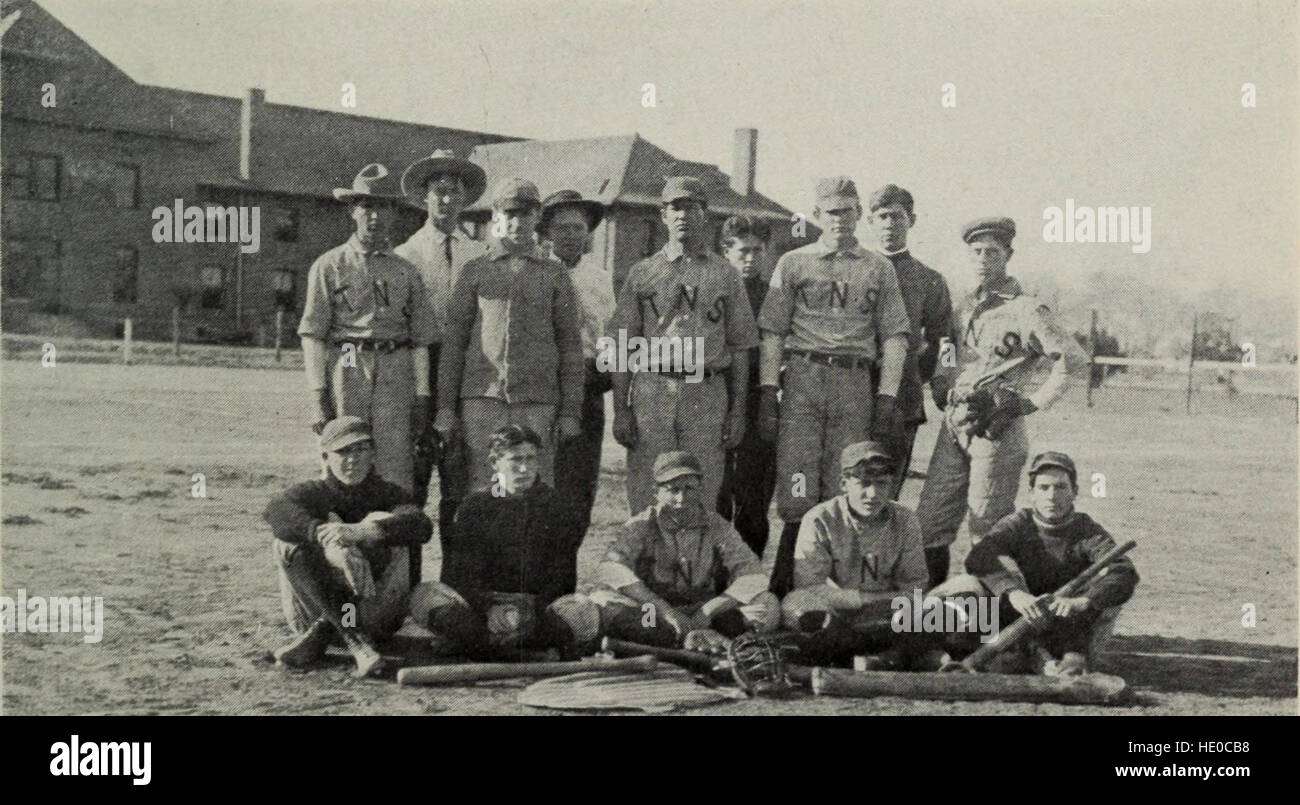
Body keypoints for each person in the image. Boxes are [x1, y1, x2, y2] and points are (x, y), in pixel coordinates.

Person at [756, 176, 912, 596]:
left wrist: (886, 398)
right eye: (832, 212)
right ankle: (787, 585)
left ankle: (840, 588)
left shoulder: (877, 267)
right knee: (798, 477)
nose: (841, 220)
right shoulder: (793, 263)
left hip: (854, 377)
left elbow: (895, 336)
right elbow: (772, 331)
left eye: (848, 211)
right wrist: (769, 391)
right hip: (805, 374)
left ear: (859, 214)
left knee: (845, 474)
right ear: (818, 215)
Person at [916, 217, 1088, 584]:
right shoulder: (964, 306)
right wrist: (942, 382)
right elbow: (949, 352)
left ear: (1008, 255)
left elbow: (1071, 360)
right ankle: (935, 612)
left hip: (997, 424)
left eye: (992, 252)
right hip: (956, 421)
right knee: (930, 520)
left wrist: (1030, 402)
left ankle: (993, 615)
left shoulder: (1027, 308)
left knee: (986, 524)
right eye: (976, 252)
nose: (982, 259)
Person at [607, 177, 760, 515]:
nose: (683, 215)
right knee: (648, 496)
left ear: (705, 214)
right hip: (653, 389)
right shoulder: (643, 272)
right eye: (675, 207)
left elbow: (740, 347)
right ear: (663, 215)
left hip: (705, 391)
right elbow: (621, 345)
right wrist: (621, 408)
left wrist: (737, 411)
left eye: (692, 207)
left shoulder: (726, 274)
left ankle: (694, 567)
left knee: (701, 495)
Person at [434, 178, 584, 493]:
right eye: (509, 213)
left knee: (533, 487)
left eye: (526, 213)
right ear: (496, 216)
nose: (517, 222)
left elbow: (571, 348)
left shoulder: (555, 274)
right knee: (485, 487)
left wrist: (570, 410)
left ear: (538, 215)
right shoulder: (475, 270)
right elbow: (454, 344)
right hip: (482, 399)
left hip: (538, 400)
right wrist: (446, 407)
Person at [929, 452, 1139, 675]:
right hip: (1021, 617)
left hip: (1068, 626)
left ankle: (1066, 660)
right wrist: (1014, 594)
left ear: (1074, 492)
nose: (1052, 496)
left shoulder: (1087, 530)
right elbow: (980, 556)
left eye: (1060, 487)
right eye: (1044, 488)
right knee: (969, 586)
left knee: (1105, 594)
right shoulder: (1018, 523)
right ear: (1031, 494)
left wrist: (1082, 602)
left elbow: (1123, 570)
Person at [297, 163, 436, 494]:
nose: (375, 216)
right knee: (345, 452)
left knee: (394, 462)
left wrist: (422, 397)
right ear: (352, 211)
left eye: (383, 207)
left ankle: (390, 539)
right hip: (347, 359)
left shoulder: (406, 271)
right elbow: (313, 335)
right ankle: (342, 539)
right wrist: (317, 395)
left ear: (394, 213)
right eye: (367, 206)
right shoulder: (329, 265)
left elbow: (419, 341)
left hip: (395, 363)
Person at [407, 426, 599, 659]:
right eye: (515, 459)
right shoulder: (474, 506)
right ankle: (518, 651)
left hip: (535, 610)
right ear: (494, 462)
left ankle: (481, 646)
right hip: (484, 609)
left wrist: (531, 610)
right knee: (423, 595)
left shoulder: (557, 506)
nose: (524, 468)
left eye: (531, 458)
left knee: (585, 610)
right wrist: (487, 607)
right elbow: (458, 576)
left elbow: (565, 578)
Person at [264, 416, 433, 678]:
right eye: (342, 451)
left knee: (382, 522)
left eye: (361, 450)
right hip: (315, 615)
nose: (352, 459)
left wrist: (360, 533)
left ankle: (332, 631)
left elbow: (421, 526)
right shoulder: (314, 492)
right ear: (325, 457)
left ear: (373, 454)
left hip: (373, 617)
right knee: (287, 541)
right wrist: (327, 541)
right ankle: (352, 639)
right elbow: (276, 511)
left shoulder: (388, 493)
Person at [394, 149, 488, 570]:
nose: (446, 201)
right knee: (412, 482)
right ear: (424, 198)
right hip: (418, 371)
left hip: (467, 373)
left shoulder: (481, 255)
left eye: (455, 193)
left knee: (460, 485)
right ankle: (407, 585)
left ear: (465, 199)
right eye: (438, 192)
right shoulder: (404, 256)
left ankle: (455, 584)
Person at [590, 451, 780, 651]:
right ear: (657, 492)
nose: (681, 498)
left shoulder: (717, 525)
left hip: (703, 611)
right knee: (602, 601)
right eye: (673, 490)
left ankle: (687, 637)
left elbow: (753, 573)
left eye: (689, 489)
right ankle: (694, 638)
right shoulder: (641, 525)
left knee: (767, 604)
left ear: (700, 489)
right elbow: (611, 569)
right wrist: (665, 611)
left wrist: (708, 611)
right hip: (654, 611)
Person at [780, 441, 937, 668]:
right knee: (795, 604)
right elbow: (808, 586)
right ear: (844, 483)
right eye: (863, 484)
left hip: (887, 612)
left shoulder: (905, 519)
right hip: (838, 612)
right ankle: (871, 652)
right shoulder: (819, 518)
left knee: (943, 606)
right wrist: (861, 600)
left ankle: (858, 652)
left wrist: (885, 605)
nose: (872, 494)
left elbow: (916, 587)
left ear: (892, 485)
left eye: (881, 484)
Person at [864, 184, 956, 500]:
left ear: (911, 220)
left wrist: (935, 376)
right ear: (870, 222)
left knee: (886, 493)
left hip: (902, 401)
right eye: (882, 216)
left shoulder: (928, 279)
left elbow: (946, 339)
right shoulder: (855, 270)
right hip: (853, 392)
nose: (889, 224)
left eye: (897, 217)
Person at [540, 189, 615, 541]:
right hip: (543, 386)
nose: (570, 235)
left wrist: (603, 371)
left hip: (587, 388)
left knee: (579, 484)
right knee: (542, 477)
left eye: (578, 227)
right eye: (561, 228)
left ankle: (567, 569)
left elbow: (609, 336)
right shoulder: (535, 271)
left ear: (588, 232)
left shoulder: (600, 278)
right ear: (546, 232)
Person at [715, 215, 778, 558]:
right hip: (715, 395)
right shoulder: (713, 290)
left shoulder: (774, 295)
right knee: (717, 492)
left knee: (754, 497)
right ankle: (716, 578)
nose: (751, 258)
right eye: (743, 251)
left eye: (758, 250)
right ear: (726, 251)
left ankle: (750, 579)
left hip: (758, 398)